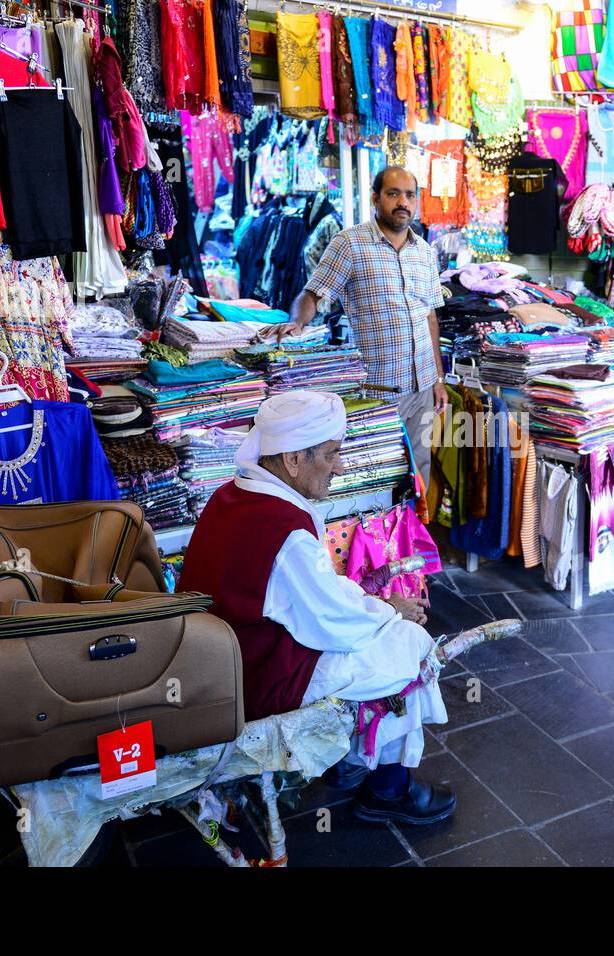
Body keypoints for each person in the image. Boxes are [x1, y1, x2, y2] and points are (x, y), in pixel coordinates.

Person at [178, 391, 455, 825]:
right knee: (412, 644)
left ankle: (354, 762)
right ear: (292, 460)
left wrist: (376, 606)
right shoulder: (282, 529)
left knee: (389, 636)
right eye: (330, 454)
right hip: (256, 676)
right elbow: (334, 621)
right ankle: (388, 786)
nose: (340, 466)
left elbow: (317, 597)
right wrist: (392, 611)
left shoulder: (233, 496)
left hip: (227, 659)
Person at [281, 166, 449, 485]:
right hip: (378, 389)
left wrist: (438, 378)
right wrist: (296, 323)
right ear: (375, 198)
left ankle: (414, 532)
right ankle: (378, 535)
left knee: (420, 470)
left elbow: (430, 316)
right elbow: (314, 293)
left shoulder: (425, 253)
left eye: (410, 195)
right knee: (376, 475)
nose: (403, 202)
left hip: (423, 384)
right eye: (393, 193)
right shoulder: (350, 244)